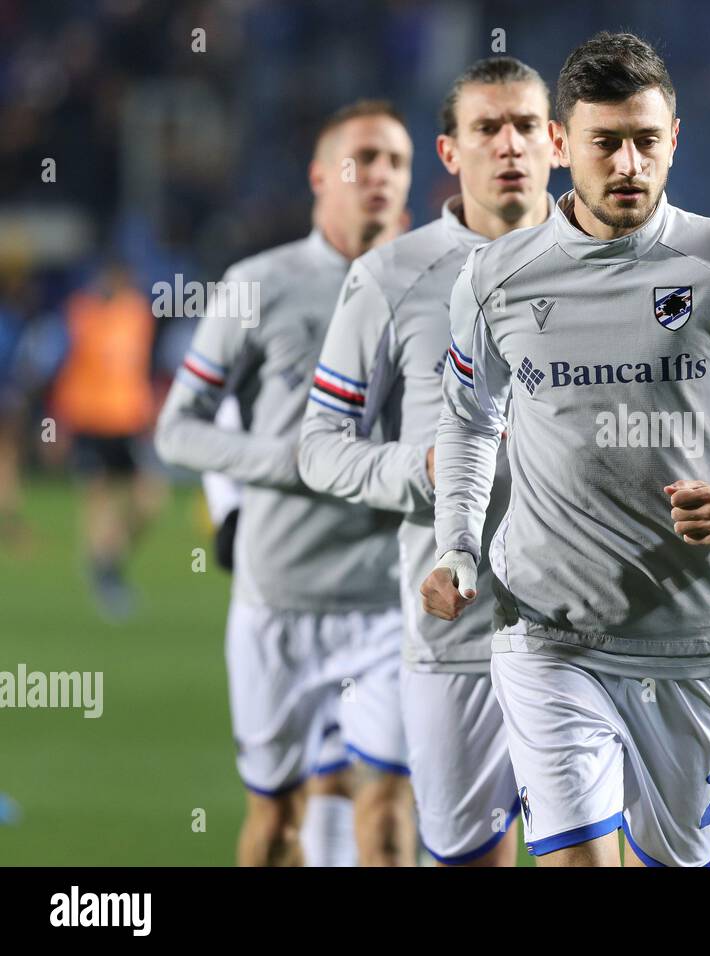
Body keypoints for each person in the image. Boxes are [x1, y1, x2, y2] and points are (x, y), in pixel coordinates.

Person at [420, 32, 710, 867]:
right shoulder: (496, 278)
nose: (627, 165)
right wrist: (459, 546)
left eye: (646, 141)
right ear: (559, 145)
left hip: (692, 646)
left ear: (674, 139)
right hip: (548, 635)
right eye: (604, 142)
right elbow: (470, 420)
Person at [298, 56, 556, 867]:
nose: (508, 145)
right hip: (458, 630)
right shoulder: (390, 278)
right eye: (487, 128)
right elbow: (318, 445)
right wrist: (421, 468)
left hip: (600, 624)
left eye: (524, 127)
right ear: (450, 152)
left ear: (555, 140)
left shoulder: (623, 267)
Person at [155, 100, 414, 866]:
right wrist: (290, 463)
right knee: (275, 824)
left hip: (388, 602)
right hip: (278, 599)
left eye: (396, 163)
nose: (379, 176)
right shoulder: (255, 284)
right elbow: (177, 427)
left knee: (389, 817)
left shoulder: (436, 286)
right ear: (317, 175)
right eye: (361, 160)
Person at [49, 260, 166, 619]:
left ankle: (106, 561)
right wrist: (57, 423)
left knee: (149, 499)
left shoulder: (137, 315)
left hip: (128, 420)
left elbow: (144, 367)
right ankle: (104, 576)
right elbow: (65, 366)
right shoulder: (81, 314)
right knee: (99, 497)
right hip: (89, 418)